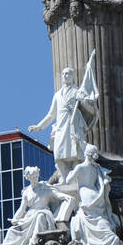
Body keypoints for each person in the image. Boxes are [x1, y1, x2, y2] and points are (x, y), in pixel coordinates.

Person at [28, 51, 98, 182]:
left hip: (73, 126)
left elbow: (89, 108)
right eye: (63, 74)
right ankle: (65, 182)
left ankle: (76, 182)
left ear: (73, 77)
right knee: (59, 156)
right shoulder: (57, 95)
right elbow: (51, 115)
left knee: (76, 155)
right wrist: (39, 127)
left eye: (68, 74)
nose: (65, 76)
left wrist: (86, 101)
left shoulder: (77, 91)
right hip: (61, 128)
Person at [0, 166, 69, 245]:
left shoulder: (45, 187)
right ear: (28, 178)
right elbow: (21, 209)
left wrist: (66, 197)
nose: (35, 179)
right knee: (12, 230)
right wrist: (15, 219)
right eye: (32, 177)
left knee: (40, 216)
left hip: (43, 213)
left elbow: (57, 195)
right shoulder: (27, 192)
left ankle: (33, 244)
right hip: (29, 216)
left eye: (36, 177)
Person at [62, 145, 121, 245]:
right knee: (99, 217)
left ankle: (92, 242)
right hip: (97, 194)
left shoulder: (80, 167)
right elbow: (102, 182)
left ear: (86, 154)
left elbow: (68, 180)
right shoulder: (96, 168)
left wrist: (71, 173)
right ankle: (108, 238)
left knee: (90, 218)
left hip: (86, 193)